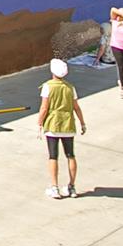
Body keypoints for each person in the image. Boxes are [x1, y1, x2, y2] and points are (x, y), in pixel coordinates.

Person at [37, 58, 86, 199]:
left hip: (53, 124)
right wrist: (82, 123)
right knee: (70, 155)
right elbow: (76, 107)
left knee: (53, 156)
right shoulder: (70, 87)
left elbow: (44, 107)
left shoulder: (48, 86)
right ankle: (72, 187)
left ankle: (54, 187)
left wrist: (39, 123)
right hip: (68, 124)